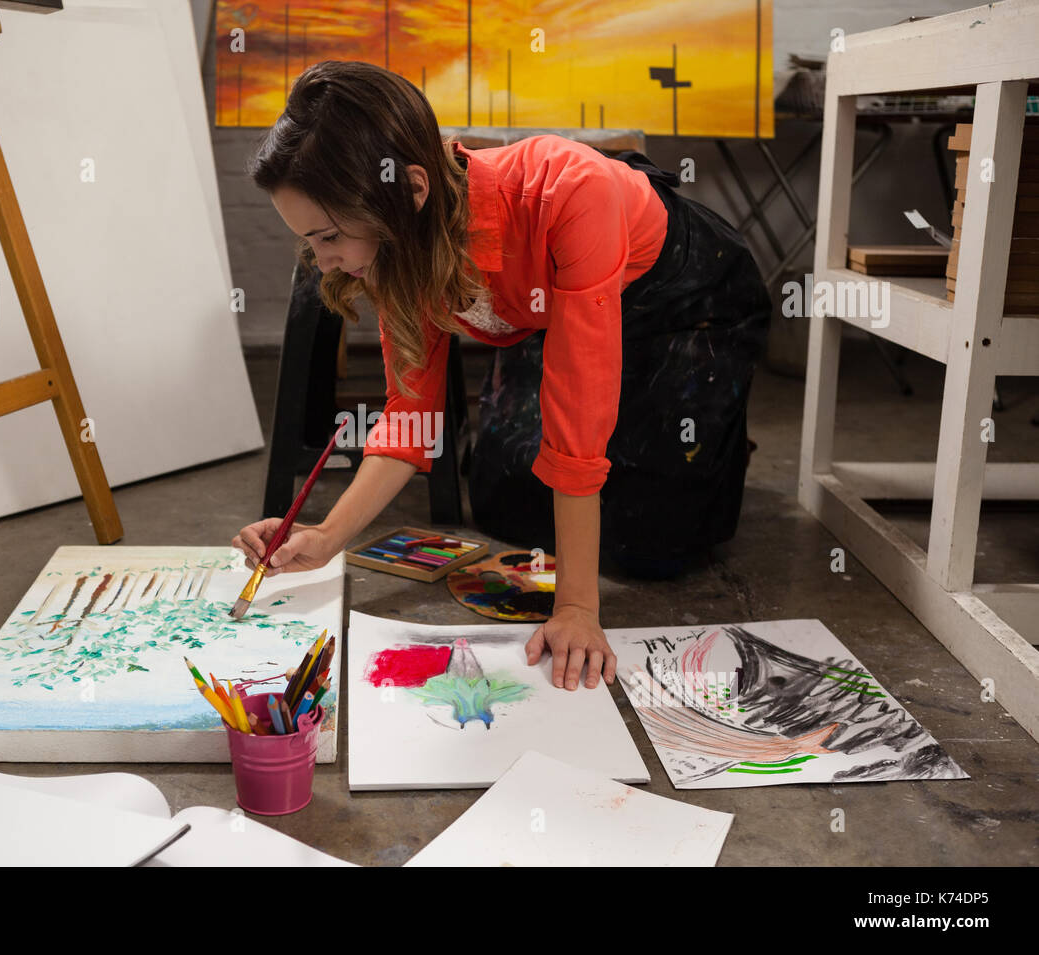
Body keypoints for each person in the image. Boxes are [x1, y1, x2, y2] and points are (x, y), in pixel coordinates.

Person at [234, 60, 770, 691]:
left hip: (687, 300)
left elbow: (578, 412)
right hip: (545, 309)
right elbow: (412, 416)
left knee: (655, 545)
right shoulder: (396, 245)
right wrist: (327, 537)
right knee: (502, 499)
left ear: (410, 189)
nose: (322, 261)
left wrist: (576, 609)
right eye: (308, 241)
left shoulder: (571, 192)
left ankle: (715, 452)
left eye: (326, 237)